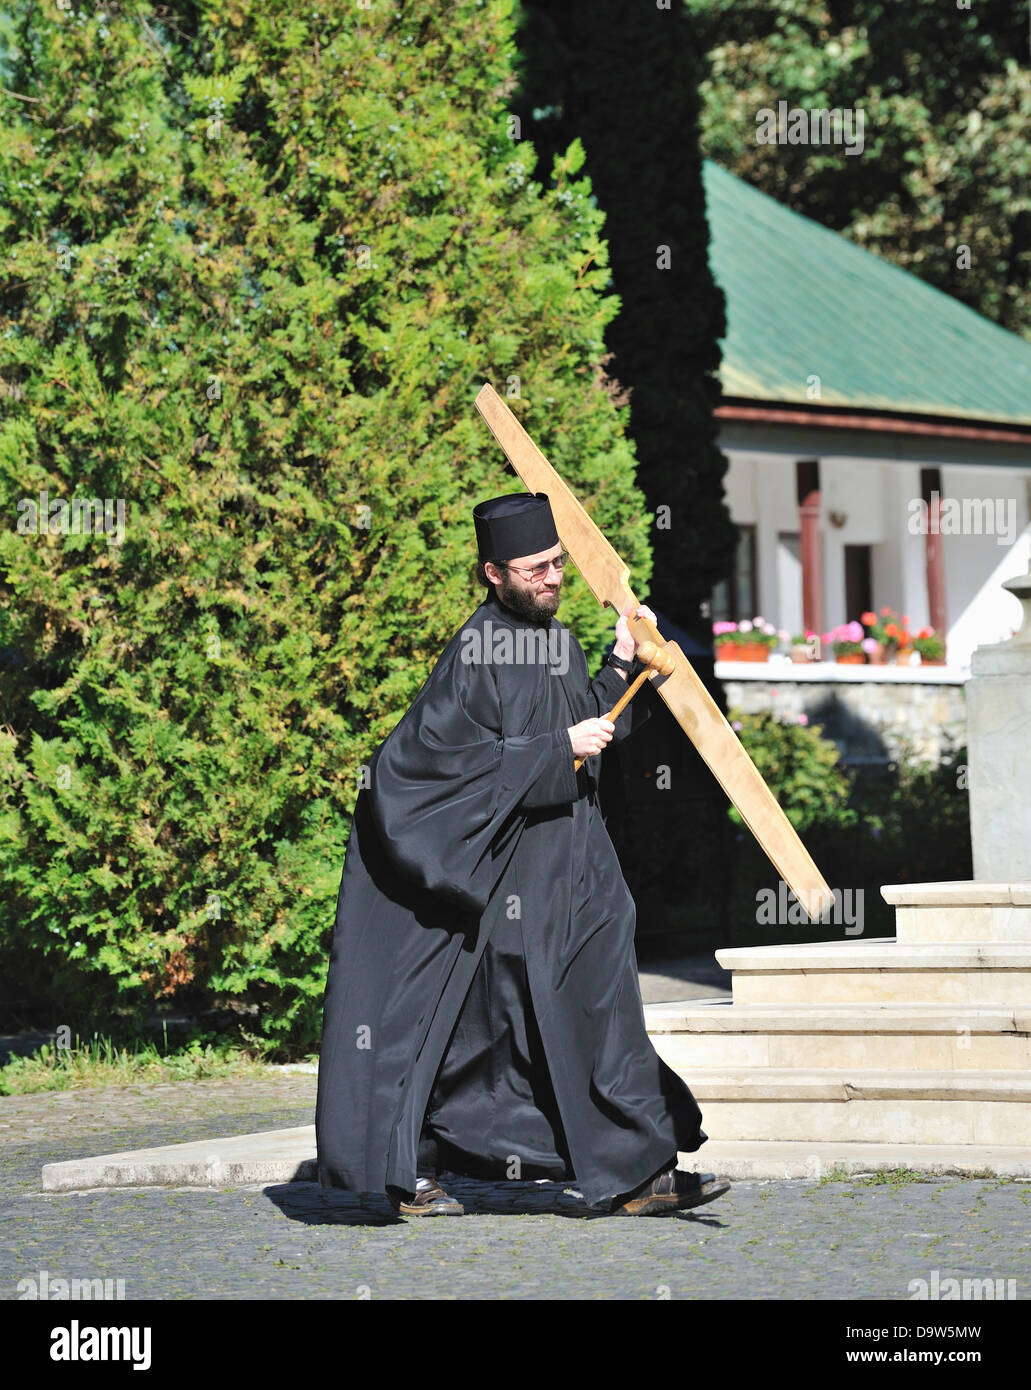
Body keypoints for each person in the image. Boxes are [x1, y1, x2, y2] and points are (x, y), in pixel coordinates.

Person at [315, 491, 730, 1218]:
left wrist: (619, 664)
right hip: (505, 889)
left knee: (606, 1014)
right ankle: (407, 1163)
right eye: (535, 567)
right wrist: (549, 752)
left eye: (557, 564)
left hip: (577, 880)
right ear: (492, 573)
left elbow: (586, 727)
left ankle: (640, 1171)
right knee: (488, 1040)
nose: (552, 578)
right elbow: (419, 769)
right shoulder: (474, 652)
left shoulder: (557, 642)